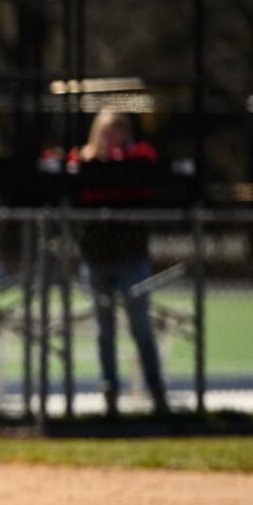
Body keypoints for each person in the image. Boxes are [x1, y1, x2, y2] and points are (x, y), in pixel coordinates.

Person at [68, 110, 170, 416]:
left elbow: (151, 164)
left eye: (117, 133)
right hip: (96, 260)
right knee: (104, 330)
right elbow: (72, 177)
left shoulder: (137, 160)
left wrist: (122, 155)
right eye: (106, 132)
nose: (110, 139)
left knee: (141, 327)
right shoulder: (83, 163)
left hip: (131, 259)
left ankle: (157, 391)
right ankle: (109, 393)